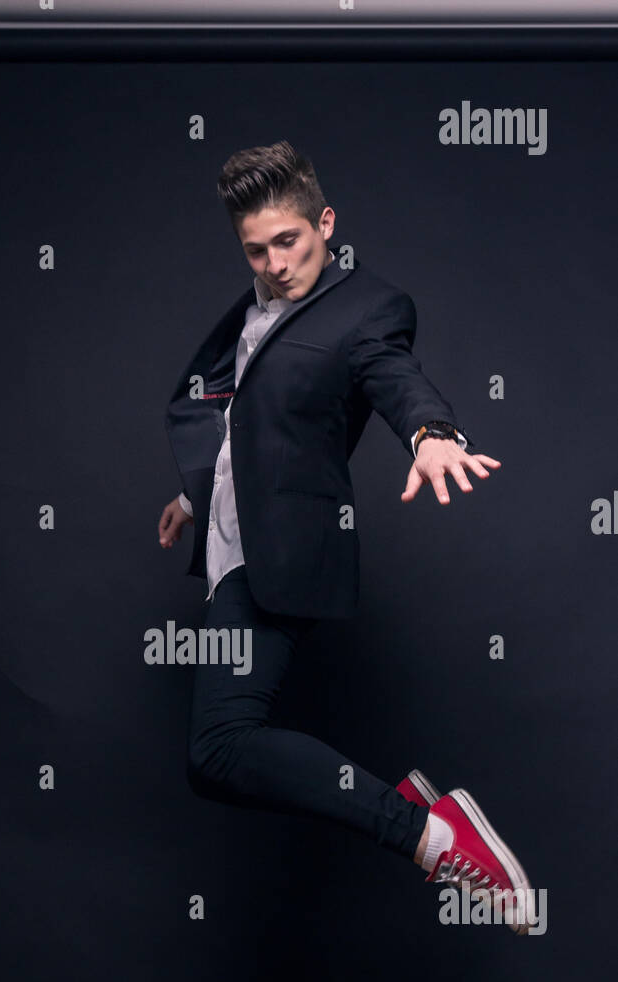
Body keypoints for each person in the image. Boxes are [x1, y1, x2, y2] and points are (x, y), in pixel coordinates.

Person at [158, 140, 531, 934]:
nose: (275, 262)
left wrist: (432, 433)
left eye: (288, 241)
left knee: (219, 747)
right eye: (255, 250)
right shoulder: (254, 313)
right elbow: (251, 420)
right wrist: (199, 499)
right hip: (232, 556)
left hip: (281, 554)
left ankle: (433, 837)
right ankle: (428, 824)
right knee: (217, 755)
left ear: (324, 224)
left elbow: (391, 374)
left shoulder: (366, 308)